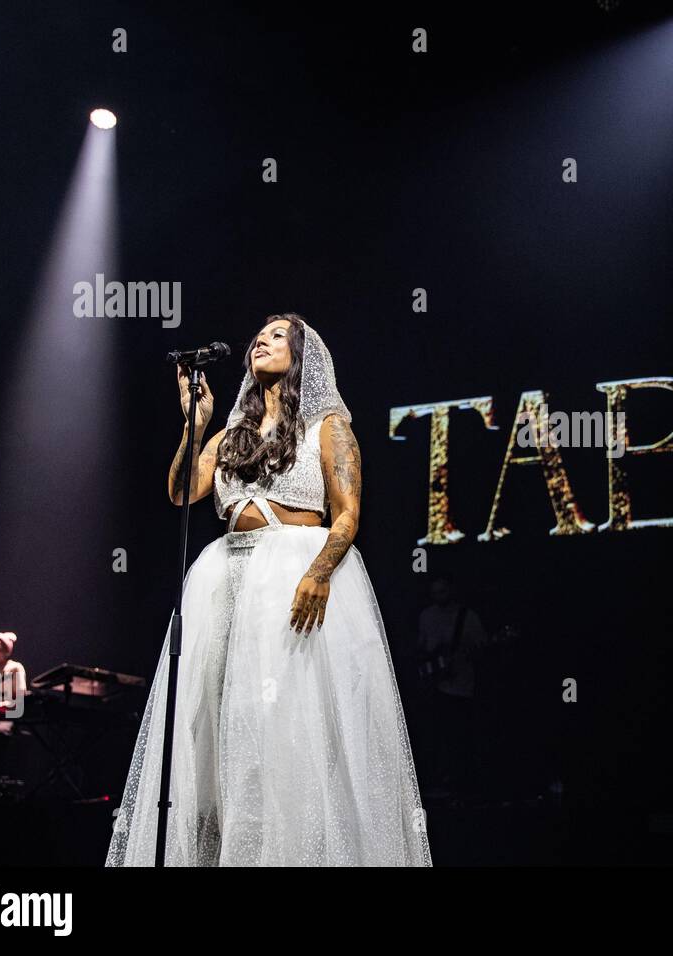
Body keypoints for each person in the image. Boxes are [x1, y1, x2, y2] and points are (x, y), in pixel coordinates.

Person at [106, 314, 431, 866]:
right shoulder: (231, 434)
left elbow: (348, 514)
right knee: (221, 732)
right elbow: (181, 492)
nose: (262, 339)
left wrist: (320, 572)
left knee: (286, 727)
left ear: (302, 355)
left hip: (295, 571)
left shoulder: (327, 426)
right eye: (260, 333)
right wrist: (196, 424)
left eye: (278, 335)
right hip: (225, 578)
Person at [416, 576, 486, 795]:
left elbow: (481, 647)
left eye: (443, 591)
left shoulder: (467, 616)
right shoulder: (427, 616)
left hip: (462, 686)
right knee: (440, 737)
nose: (440, 597)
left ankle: (464, 783)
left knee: (462, 736)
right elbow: (420, 647)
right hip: (435, 685)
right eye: (435, 592)